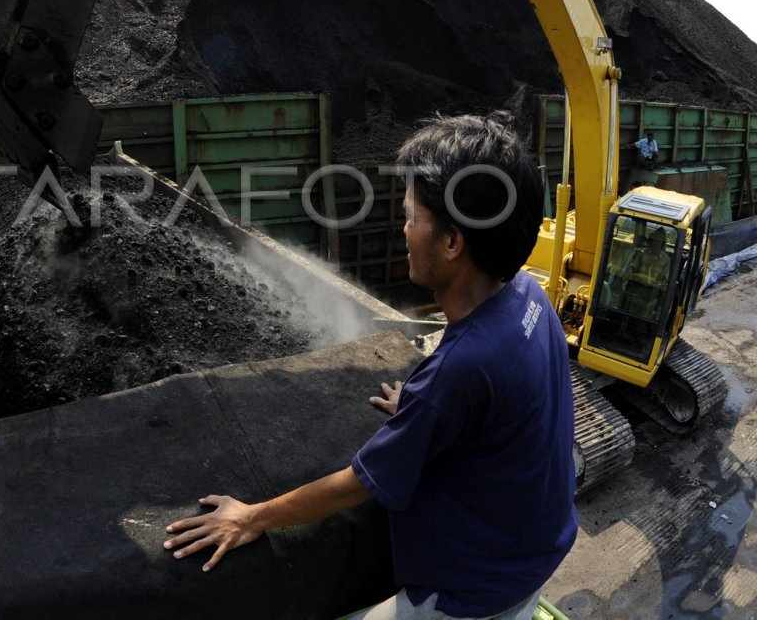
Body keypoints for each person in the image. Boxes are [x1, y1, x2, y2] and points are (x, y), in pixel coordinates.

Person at [163, 112, 577, 619]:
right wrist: (427, 413)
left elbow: (360, 482)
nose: (404, 230)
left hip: (475, 590)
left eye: (412, 217)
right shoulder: (531, 296)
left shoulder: (462, 368)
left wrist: (252, 518)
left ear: (452, 242)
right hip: (538, 552)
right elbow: (511, 401)